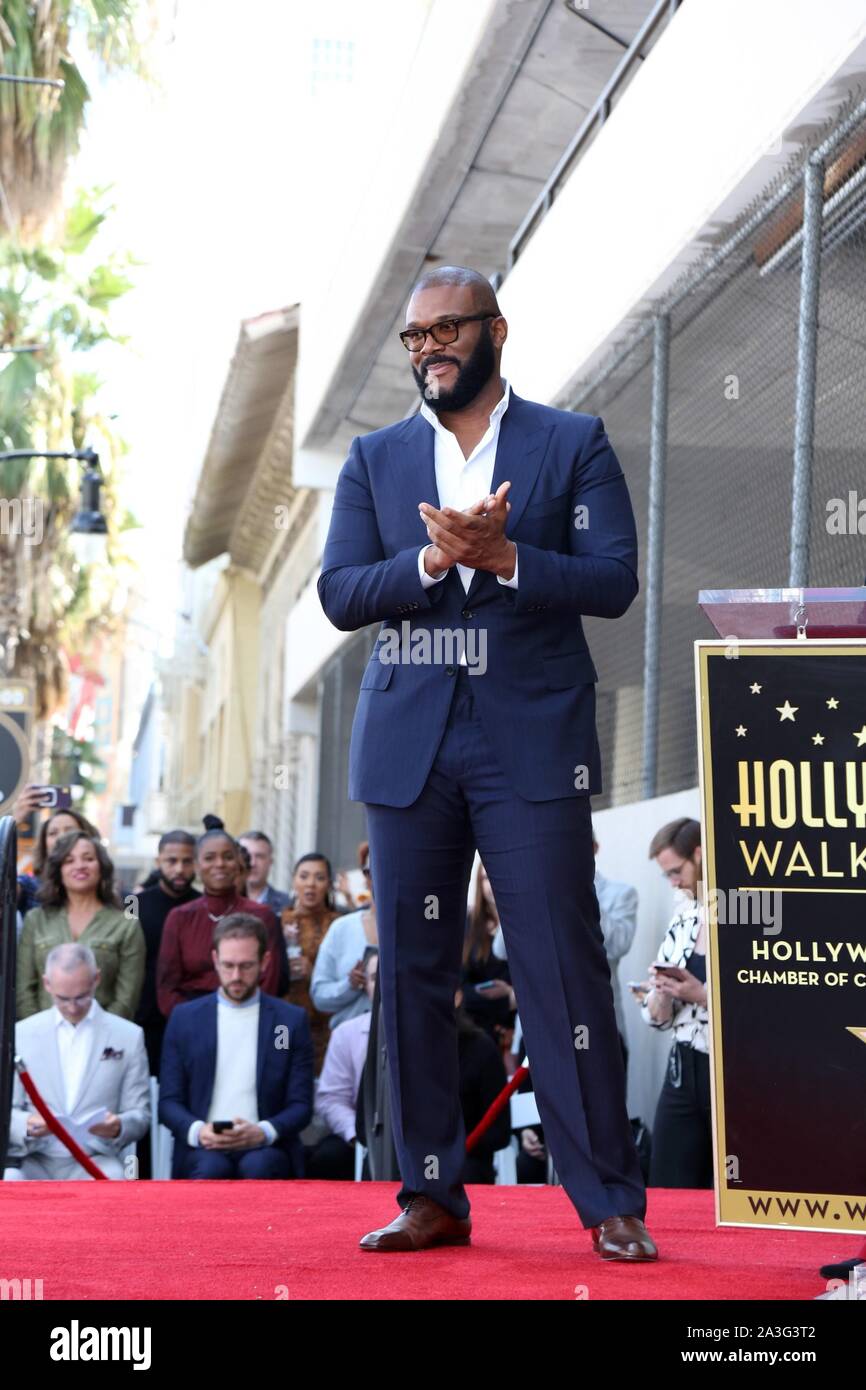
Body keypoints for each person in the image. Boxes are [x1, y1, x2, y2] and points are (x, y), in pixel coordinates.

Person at [318, 265, 654, 1259]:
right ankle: (428, 1192)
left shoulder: (570, 441)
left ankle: (607, 1200)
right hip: (409, 744)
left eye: (446, 330)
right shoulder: (375, 459)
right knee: (410, 972)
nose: (428, 348)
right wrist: (431, 561)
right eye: (414, 337)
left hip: (530, 742)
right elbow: (341, 591)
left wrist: (506, 559)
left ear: (493, 331)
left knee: (559, 963)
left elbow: (614, 579)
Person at [159, 914, 313, 1178]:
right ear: (215, 960)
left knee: (260, 1165)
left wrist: (263, 1131)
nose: (236, 976)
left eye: (246, 966)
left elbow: (300, 1104)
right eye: (228, 965)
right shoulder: (185, 1020)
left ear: (265, 962)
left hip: (267, 1148)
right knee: (210, 1168)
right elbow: (169, 1102)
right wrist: (200, 1132)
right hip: (203, 1149)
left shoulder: (286, 1023)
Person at [7, 943, 150, 1179]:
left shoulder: (128, 1036)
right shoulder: (22, 1033)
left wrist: (117, 1126)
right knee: (11, 1181)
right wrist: (29, 1124)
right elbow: (7, 1111)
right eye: (63, 998)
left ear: (96, 980)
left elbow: (140, 1114)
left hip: (95, 1157)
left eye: (82, 997)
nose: (72, 1007)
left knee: (114, 1180)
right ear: (47, 984)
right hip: (34, 1158)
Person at [640, 817, 711, 1188]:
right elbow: (657, 1018)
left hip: (731, 1071)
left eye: (676, 871)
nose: (674, 882)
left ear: (700, 854)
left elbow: (766, 999)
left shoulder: (747, 905)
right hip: (682, 1068)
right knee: (668, 1188)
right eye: (666, 875)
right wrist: (662, 994)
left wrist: (699, 995)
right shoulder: (684, 914)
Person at [156, 824, 287, 1018]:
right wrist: (193, 1021)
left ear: (239, 863)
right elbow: (167, 987)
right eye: (209, 858)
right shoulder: (179, 917)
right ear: (197, 865)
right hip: (192, 1022)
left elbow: (271, 981)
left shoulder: (263, 915)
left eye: (228, 857)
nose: (220, 864)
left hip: (251, 1018)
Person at [17, 832, 145, 1022]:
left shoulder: (126, 924)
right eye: (69, 860)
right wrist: (42, 1032)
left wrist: (97, 1036)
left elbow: (127, 997)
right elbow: (23, 990)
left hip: (104, 1041)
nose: (80, 865)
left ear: (101, 866)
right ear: (58, 869)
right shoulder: (36, 920)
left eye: (89, 858)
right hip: (43, 1039)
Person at [131, 830, 200, 1076]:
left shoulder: (202, 905)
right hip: (142, 1019)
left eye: (187, 861)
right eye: (172, 861)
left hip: (190, 1019)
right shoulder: (134, 903)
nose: (179, 869)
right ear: (158, 861)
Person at [306, 951, 379, 1179]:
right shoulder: (346, 1034)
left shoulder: (431, 1032)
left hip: (418, 1142)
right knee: (327, 1158)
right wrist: (357, 1134)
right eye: (376, 977)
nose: (385, 984)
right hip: (359, 1134)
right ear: (365, 985)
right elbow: (332, 1098)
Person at [279, 852, 340, 1074]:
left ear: (329, 884)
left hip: (325, 1024)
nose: (310, 884)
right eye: (304, 876)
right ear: (294, 880)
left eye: (319, 878)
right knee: (282, 1077)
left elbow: (348, 977)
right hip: (283, 1019)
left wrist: (315, 972)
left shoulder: (339, 925)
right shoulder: (278, 920)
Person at [310, 843, 378, 1033]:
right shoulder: (342, 928)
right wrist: (349, 985)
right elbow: (320, 997)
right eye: (370, 872)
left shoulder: (415, 931)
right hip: (349, 1046)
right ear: (366, 879)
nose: (380, 878)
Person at [593, 831, 639, 1077]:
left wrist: (581, 891)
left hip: (602, 1024)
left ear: (594, 848)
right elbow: (501, 950)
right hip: (542, 1027)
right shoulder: (539, 891)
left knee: (607, 1111)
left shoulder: (621, 894)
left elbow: (619, 945)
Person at [460, 862, 515, 1046]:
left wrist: (514, 997)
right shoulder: (468, 925)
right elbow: (461, 992)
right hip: (478, 1030)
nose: (491, 884)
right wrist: (509, 1000)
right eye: (485, 878)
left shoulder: (524, 925)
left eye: (495, 876)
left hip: (520, 1028)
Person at [238, 831, 290, 914]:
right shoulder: (223, 902)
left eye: (259, 857)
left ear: (270, 862)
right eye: (246, 856)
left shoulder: (288, 904)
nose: (252, 863)